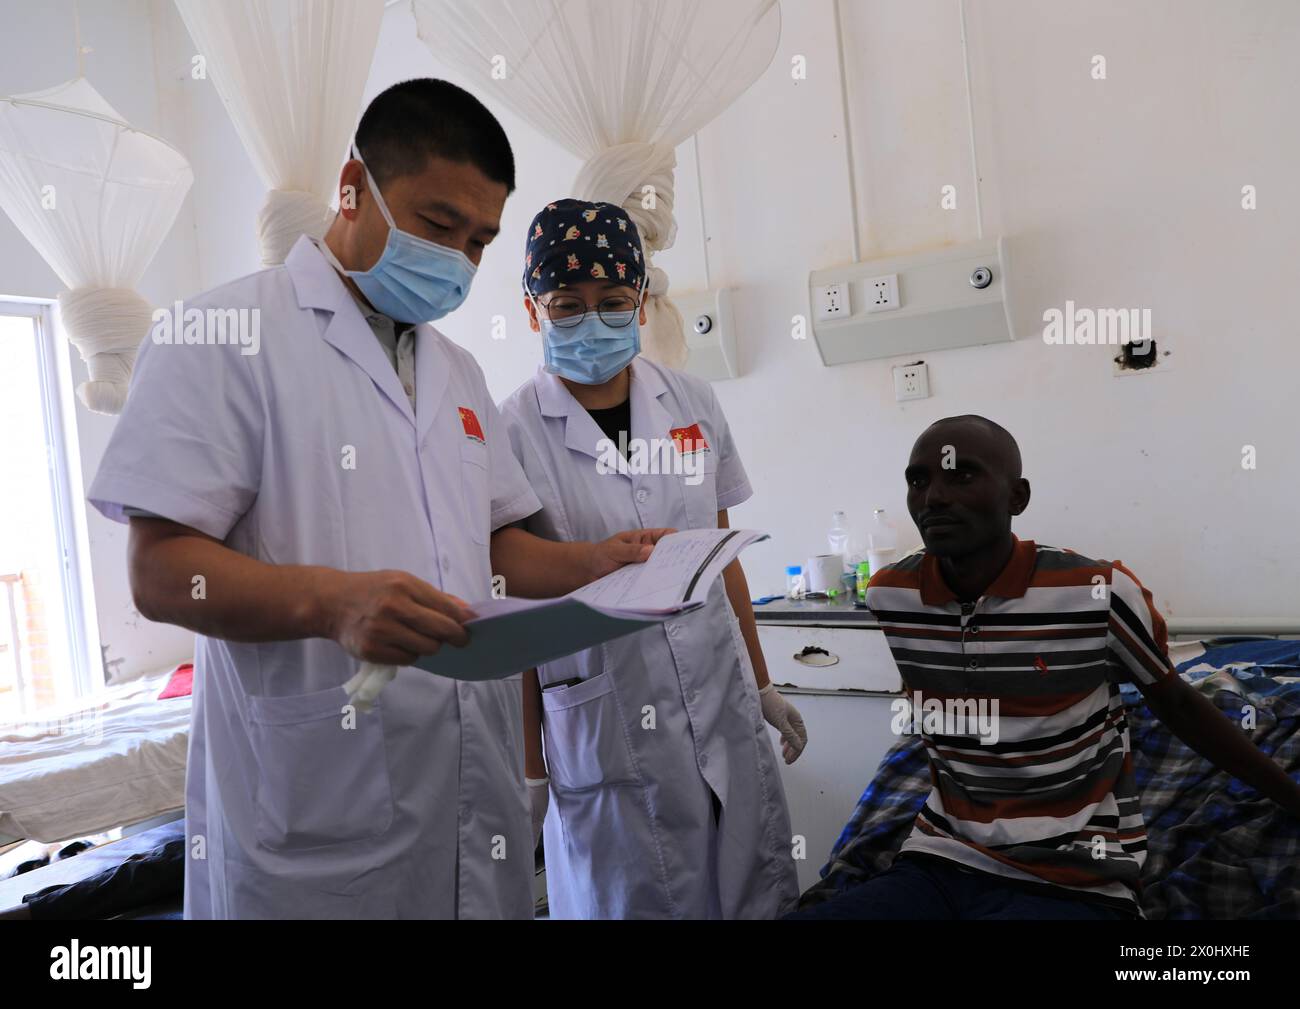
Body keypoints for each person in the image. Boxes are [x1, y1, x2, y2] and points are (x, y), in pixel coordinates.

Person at [87, 80, 665, 920]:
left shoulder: (457, 371)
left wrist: (595, 563)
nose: (459, 260)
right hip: (317, 805)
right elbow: (161, 571)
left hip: (469, 787)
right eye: (438, 225)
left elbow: (496, 543)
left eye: (480, 241)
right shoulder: (221, 337)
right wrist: (334, 603)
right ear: (353, 185)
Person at [787, 415, 1300, 919]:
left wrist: (1289, 796)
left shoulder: (1098, 593)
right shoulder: (892, 597)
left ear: (1018, 497)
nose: (934, 496)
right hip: (941, 859)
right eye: (918, 480)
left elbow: (1181, 704)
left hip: (1074, 878)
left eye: (961, 475)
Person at [497, 198, 804, 919]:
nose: (591, 320)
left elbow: (724, 556)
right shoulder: (512, 431)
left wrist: (761, 685)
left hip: (719, 694)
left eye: (612, 301)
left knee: (754, 897)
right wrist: (530, 767)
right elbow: (510, 605)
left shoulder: (692, 403)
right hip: (602, 719)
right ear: (533, 310)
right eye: (567, 304)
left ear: (640, 299)